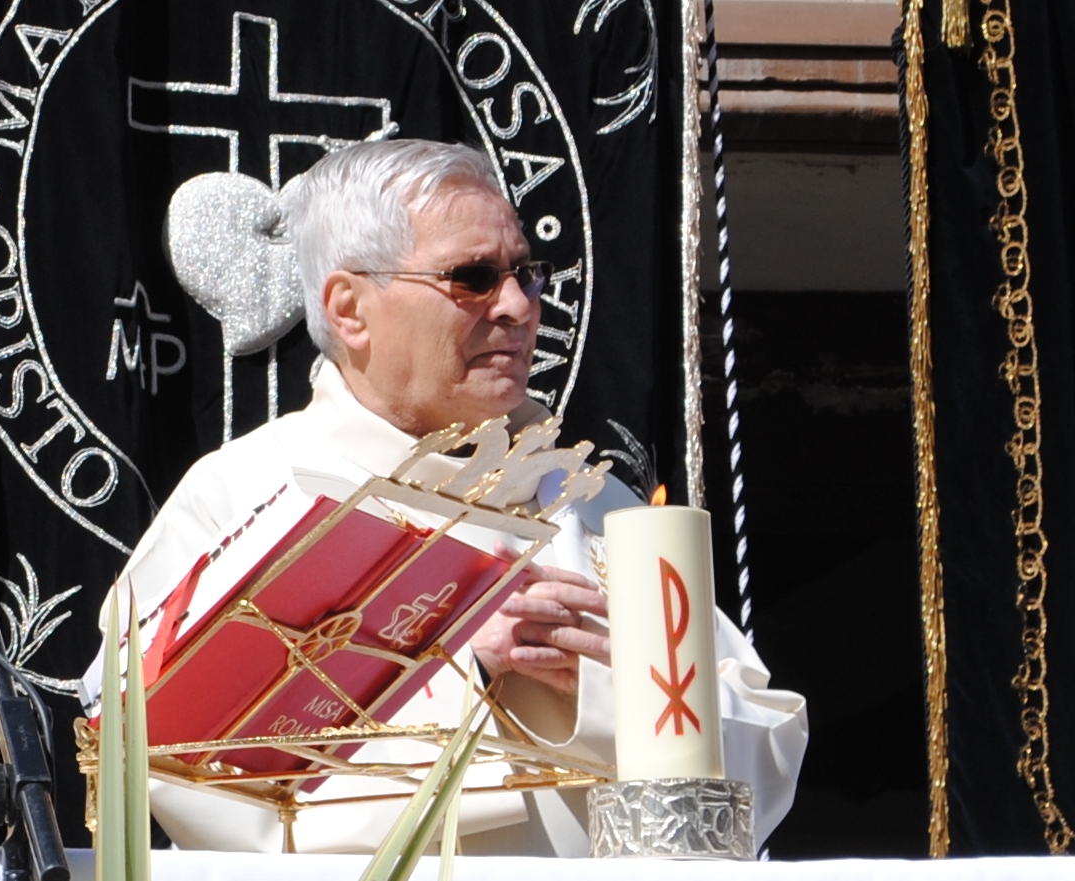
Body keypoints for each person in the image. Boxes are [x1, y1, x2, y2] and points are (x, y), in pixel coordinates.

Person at [105, 139, 807, 855]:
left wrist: (608, 690)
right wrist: (463, 680)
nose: (516, 306)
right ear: (349, 309)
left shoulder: (593, 504)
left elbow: (765, 750)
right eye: (471, 276)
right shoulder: (244, 495)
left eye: (526, 274)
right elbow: (182, 774)